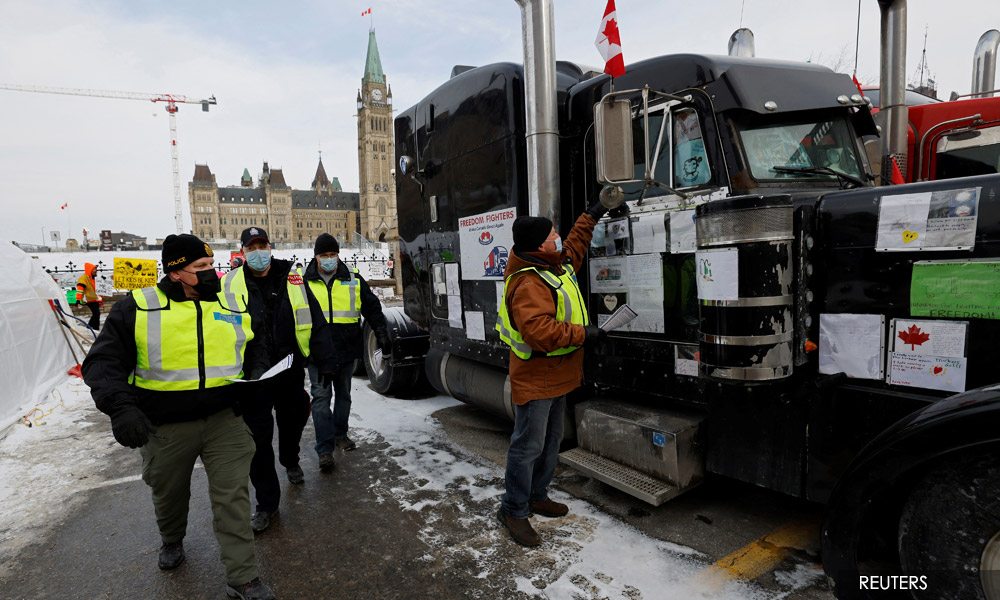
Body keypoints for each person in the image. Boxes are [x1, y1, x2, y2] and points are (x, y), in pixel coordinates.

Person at [82, 234, 277, 600]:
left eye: (211, 264)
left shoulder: (231, 301)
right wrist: (122, 408)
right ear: (175, 272)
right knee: (168, 492)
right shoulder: (137, 308)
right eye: (200, 267)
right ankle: (171, 538)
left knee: (233, 499)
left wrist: (257, 369)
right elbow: (102, 362)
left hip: (224, 420)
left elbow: (255, 342)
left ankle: (243, 578)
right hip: (165, 425)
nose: (211, 272)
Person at [494, 201, 609, 547]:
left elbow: (575, 244)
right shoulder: (528, 282)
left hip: (557, 375)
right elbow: (539, 331)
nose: (558, 237)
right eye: (552, 234)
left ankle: (536, 495)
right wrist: (583, 334)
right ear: (539, 245)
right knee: (528, 446)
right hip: (536, 378)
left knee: (550, 441)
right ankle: (513, 510)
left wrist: (593, 213)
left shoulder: (554, 264)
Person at [223, 227, 333, 534]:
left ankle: (290, 458)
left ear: (270, 247)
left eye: (263, 245)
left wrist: (326, 359)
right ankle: (267, 504)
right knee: (257, 442)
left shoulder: (292, 278)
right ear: (243, 251)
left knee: (293, 420)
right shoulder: (229, 282)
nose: (258, 252)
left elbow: (315, 319)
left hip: (289, 368)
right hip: (252, 376)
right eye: (252, 247)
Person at [303, 233, 391, 472]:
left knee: (344, 396)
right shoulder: (303, 282)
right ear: (316, 256)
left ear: (338, 254)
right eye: (324, 255)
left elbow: (372, 307)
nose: (329, 258)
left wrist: (381, 331)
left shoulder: (353, 278)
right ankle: (324, 449)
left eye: (333, 254)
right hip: (318, 352)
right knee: (321, 399)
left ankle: (340, 434)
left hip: (346, 348)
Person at [76, 262, 101, 330]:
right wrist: (78, 300)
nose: (96, 271)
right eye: (94, 269)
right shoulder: (83, 278)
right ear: (89, 269)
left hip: (94, 298)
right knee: (96, 314)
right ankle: (89, 328)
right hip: (88, 298)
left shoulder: (93, 278)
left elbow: (98, 288)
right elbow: (80, 290)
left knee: (97, 314)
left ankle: (96, 329)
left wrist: (103, 280)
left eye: (96, 269)